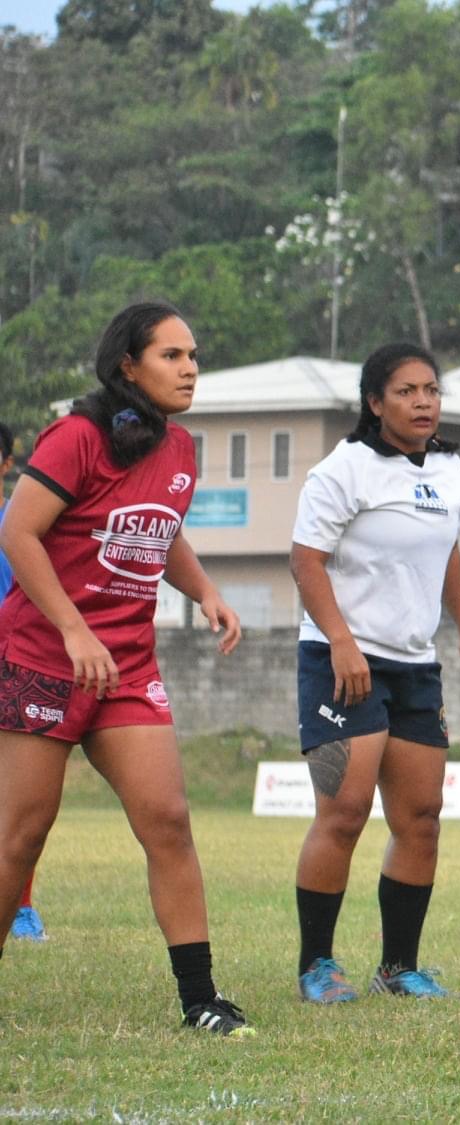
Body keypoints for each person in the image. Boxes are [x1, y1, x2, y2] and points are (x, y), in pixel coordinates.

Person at [0, 302, 252, 1035]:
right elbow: (19, 532)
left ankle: (200, 999)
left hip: (127, 664)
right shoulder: (77, 435)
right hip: (45, 656)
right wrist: (74, 630)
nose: (190, 368)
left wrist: (204, 590)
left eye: (194, 355)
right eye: (172, 355)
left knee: (168, 819)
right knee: (22, 834)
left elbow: (160, 532)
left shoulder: (180, 449)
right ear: (126, 366)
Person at [289, 343, 460, 1004]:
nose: (424, 401)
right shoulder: (344, 470)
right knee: (344, 812)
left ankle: (398, 967)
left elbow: (448, 550)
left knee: (422, 817)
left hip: (414, 664)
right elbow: (306, 560)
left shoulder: (452, 471)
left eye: (431, 389)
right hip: (341, 660)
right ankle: (317, 964)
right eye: (406, 390)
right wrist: (343, 641)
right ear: (374, 402)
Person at [0, 422, 47, 944]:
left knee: (19, 803)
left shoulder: (25, 523)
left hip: (15, 665)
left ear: (7, 464)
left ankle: (22, 908)